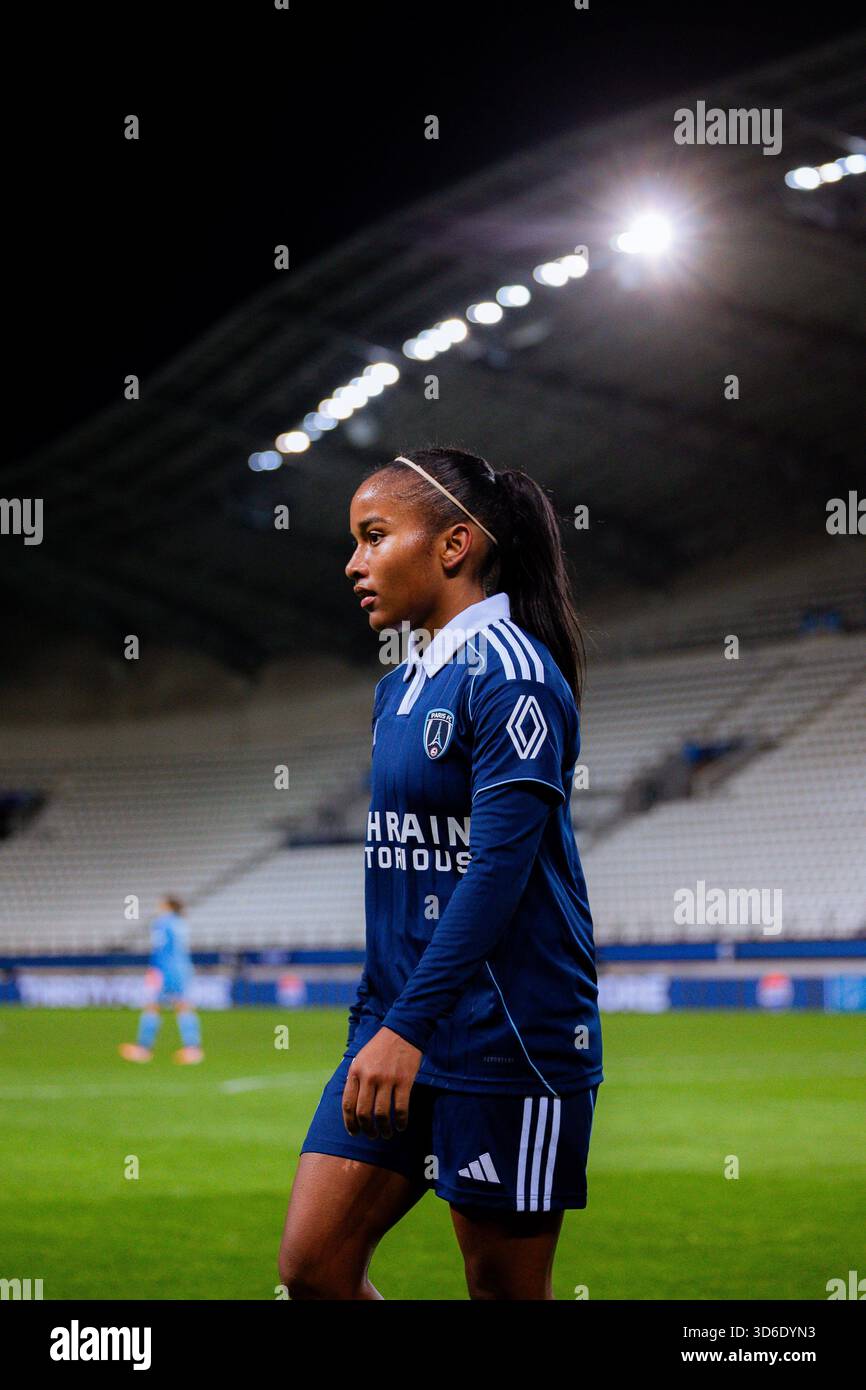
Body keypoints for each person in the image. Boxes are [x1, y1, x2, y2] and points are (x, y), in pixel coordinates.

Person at [278, 447, 603, 1300]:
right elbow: (400, 875)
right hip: (397, 1024)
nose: (353, 563)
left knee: (500, 1293)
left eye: (373, 536)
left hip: (508, 1038)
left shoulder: (515, 677)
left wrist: (407, 1027)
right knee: (313, 1270)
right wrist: (379, 1015)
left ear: (454, 546)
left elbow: (497, 870)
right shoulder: (399, 691)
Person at [118, 895, 204, 1064]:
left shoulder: (162, 922)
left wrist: (154, 970)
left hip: (164, 969)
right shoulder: (181, 922)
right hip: (183, 968)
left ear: (168, 906)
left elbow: (160, 948)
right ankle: (193, 1049)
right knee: (183, 1006)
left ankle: (143, 1049)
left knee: (152, 1006)